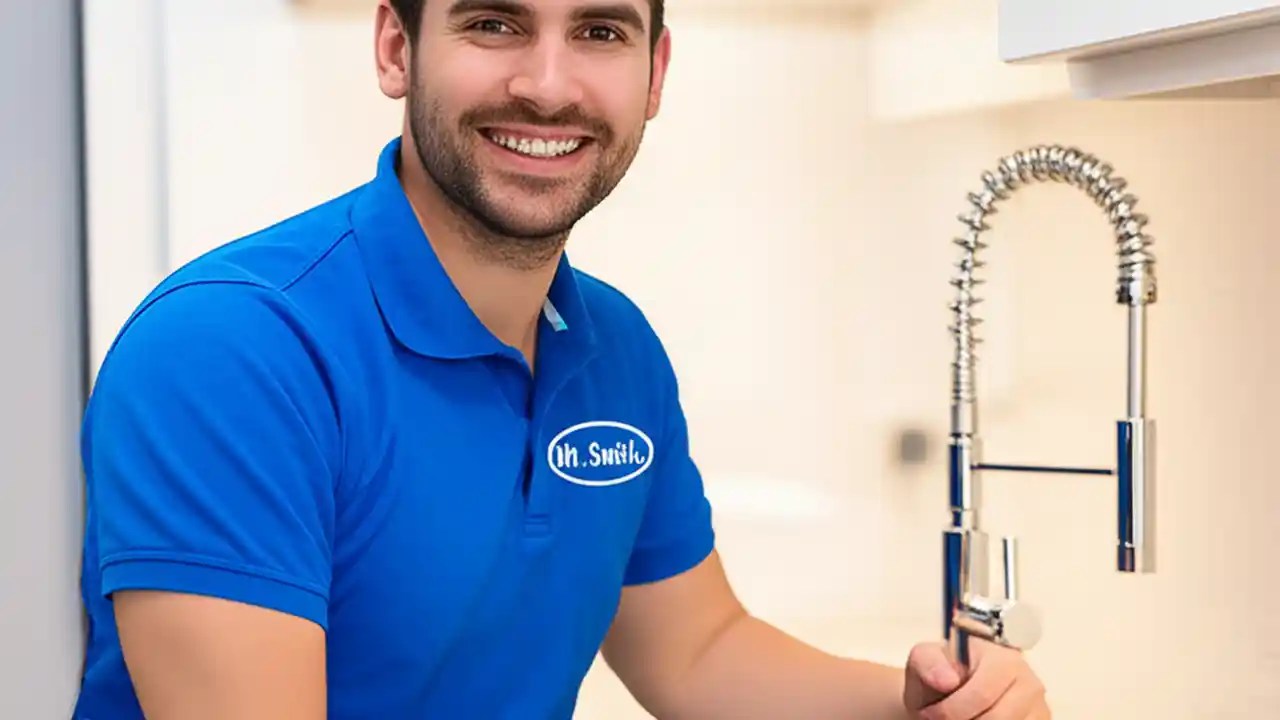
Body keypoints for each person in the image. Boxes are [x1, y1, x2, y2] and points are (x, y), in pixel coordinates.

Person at [72, 0, 1051, 718]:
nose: (546, 86)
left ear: (654, 73)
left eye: (598, 31)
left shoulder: (612, 347)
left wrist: (922, 708)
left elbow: (697, 653)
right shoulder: (232, 352)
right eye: (494, 23)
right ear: (393, 47)